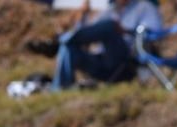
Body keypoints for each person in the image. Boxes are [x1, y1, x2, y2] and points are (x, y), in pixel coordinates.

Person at [32, 0, 165, 91]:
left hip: (126, 60)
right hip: (102, 62)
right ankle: (60, 89)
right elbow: (90, 34)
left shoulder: (145, 7)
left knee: (110, 27)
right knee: (70, 48)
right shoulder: (111, 9)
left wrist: (123, 30)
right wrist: (83, 15)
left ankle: (58, 42)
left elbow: (153, 33)